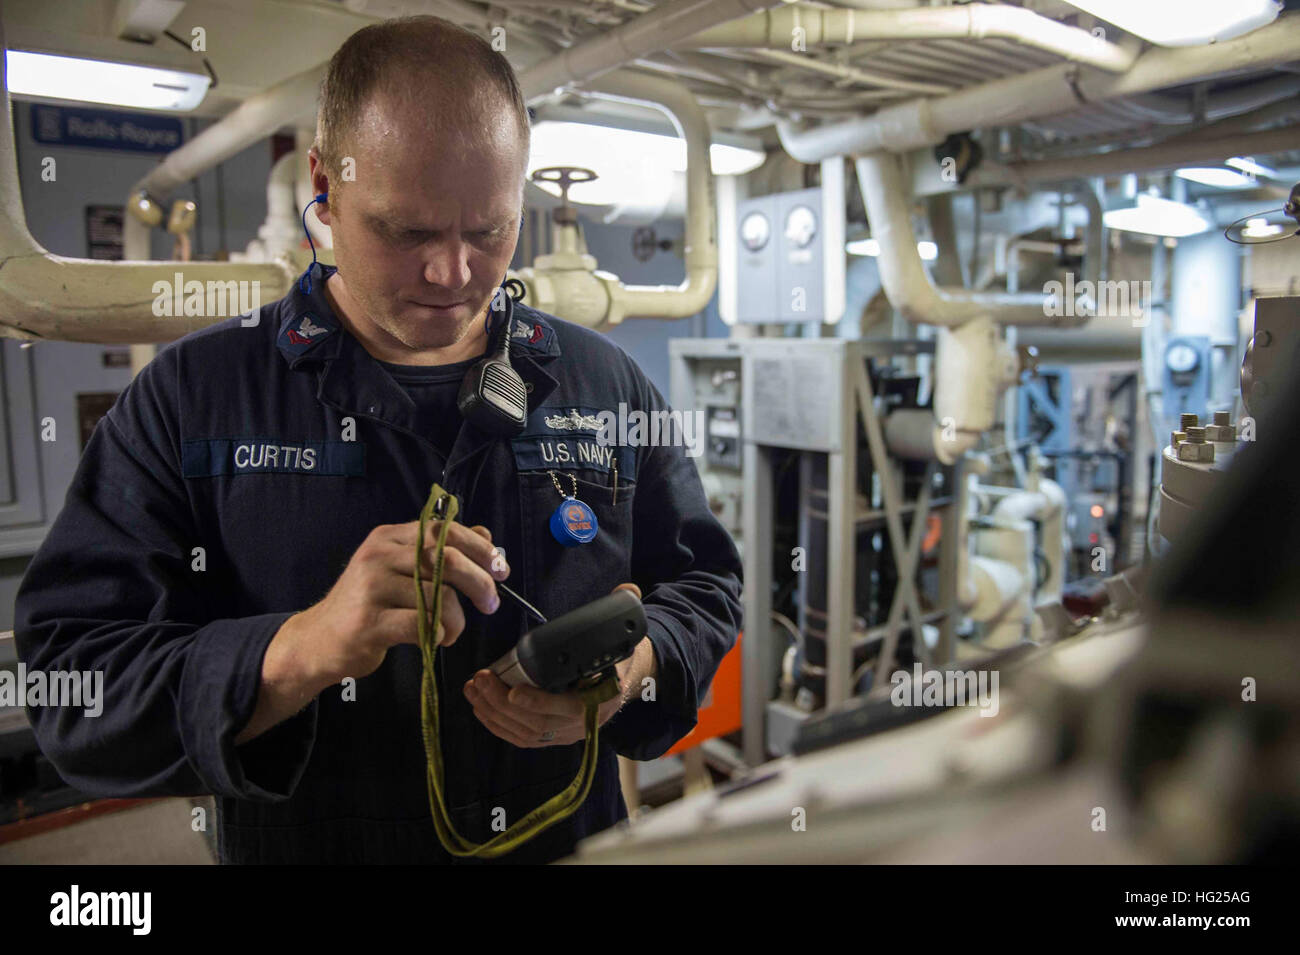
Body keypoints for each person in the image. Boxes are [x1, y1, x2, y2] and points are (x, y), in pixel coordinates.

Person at [14, 15, 742, 864]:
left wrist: (639, 665)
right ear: (322, 184)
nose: (452, 273)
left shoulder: (602, 384)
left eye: (488, 232)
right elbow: (72, 688)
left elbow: (704, 585)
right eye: (407, 231)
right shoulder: (192, 401)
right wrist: (299, 649)